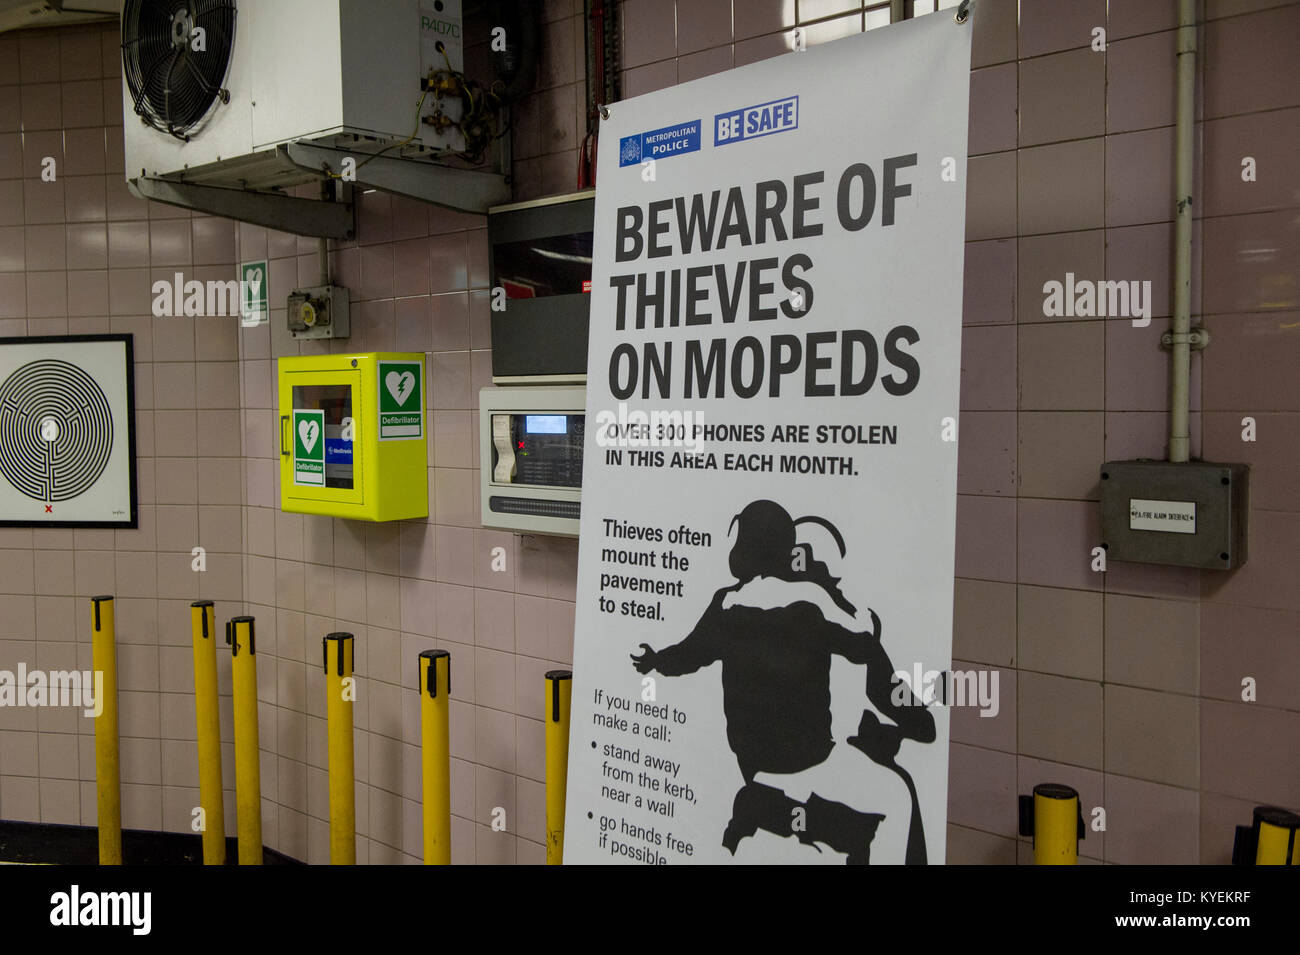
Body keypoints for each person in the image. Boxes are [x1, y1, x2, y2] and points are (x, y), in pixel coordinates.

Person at [631, 499, 935, 863]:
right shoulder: (812, 604)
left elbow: (688, 655)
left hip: (752, 761)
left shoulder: (726, 604)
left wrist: (654, 660)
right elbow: (863, 644)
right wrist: (849, 606)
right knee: (899, 797)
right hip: (809, 761)